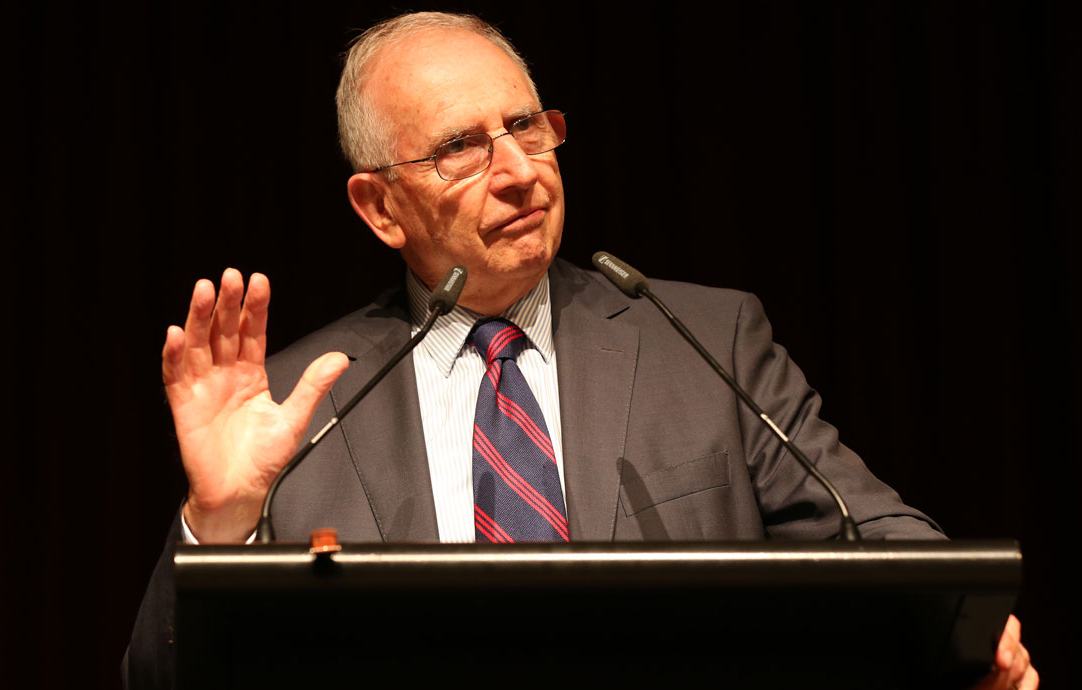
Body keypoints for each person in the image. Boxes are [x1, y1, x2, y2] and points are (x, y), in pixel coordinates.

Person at [127, 11, 1036, 689]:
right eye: (461, 148)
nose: (521, 170)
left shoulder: (706, 343)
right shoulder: (303, 406)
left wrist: (967, 628)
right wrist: (219, 523)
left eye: (526, 127)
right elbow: (160, 682)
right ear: (377, 207)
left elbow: (870, 530)